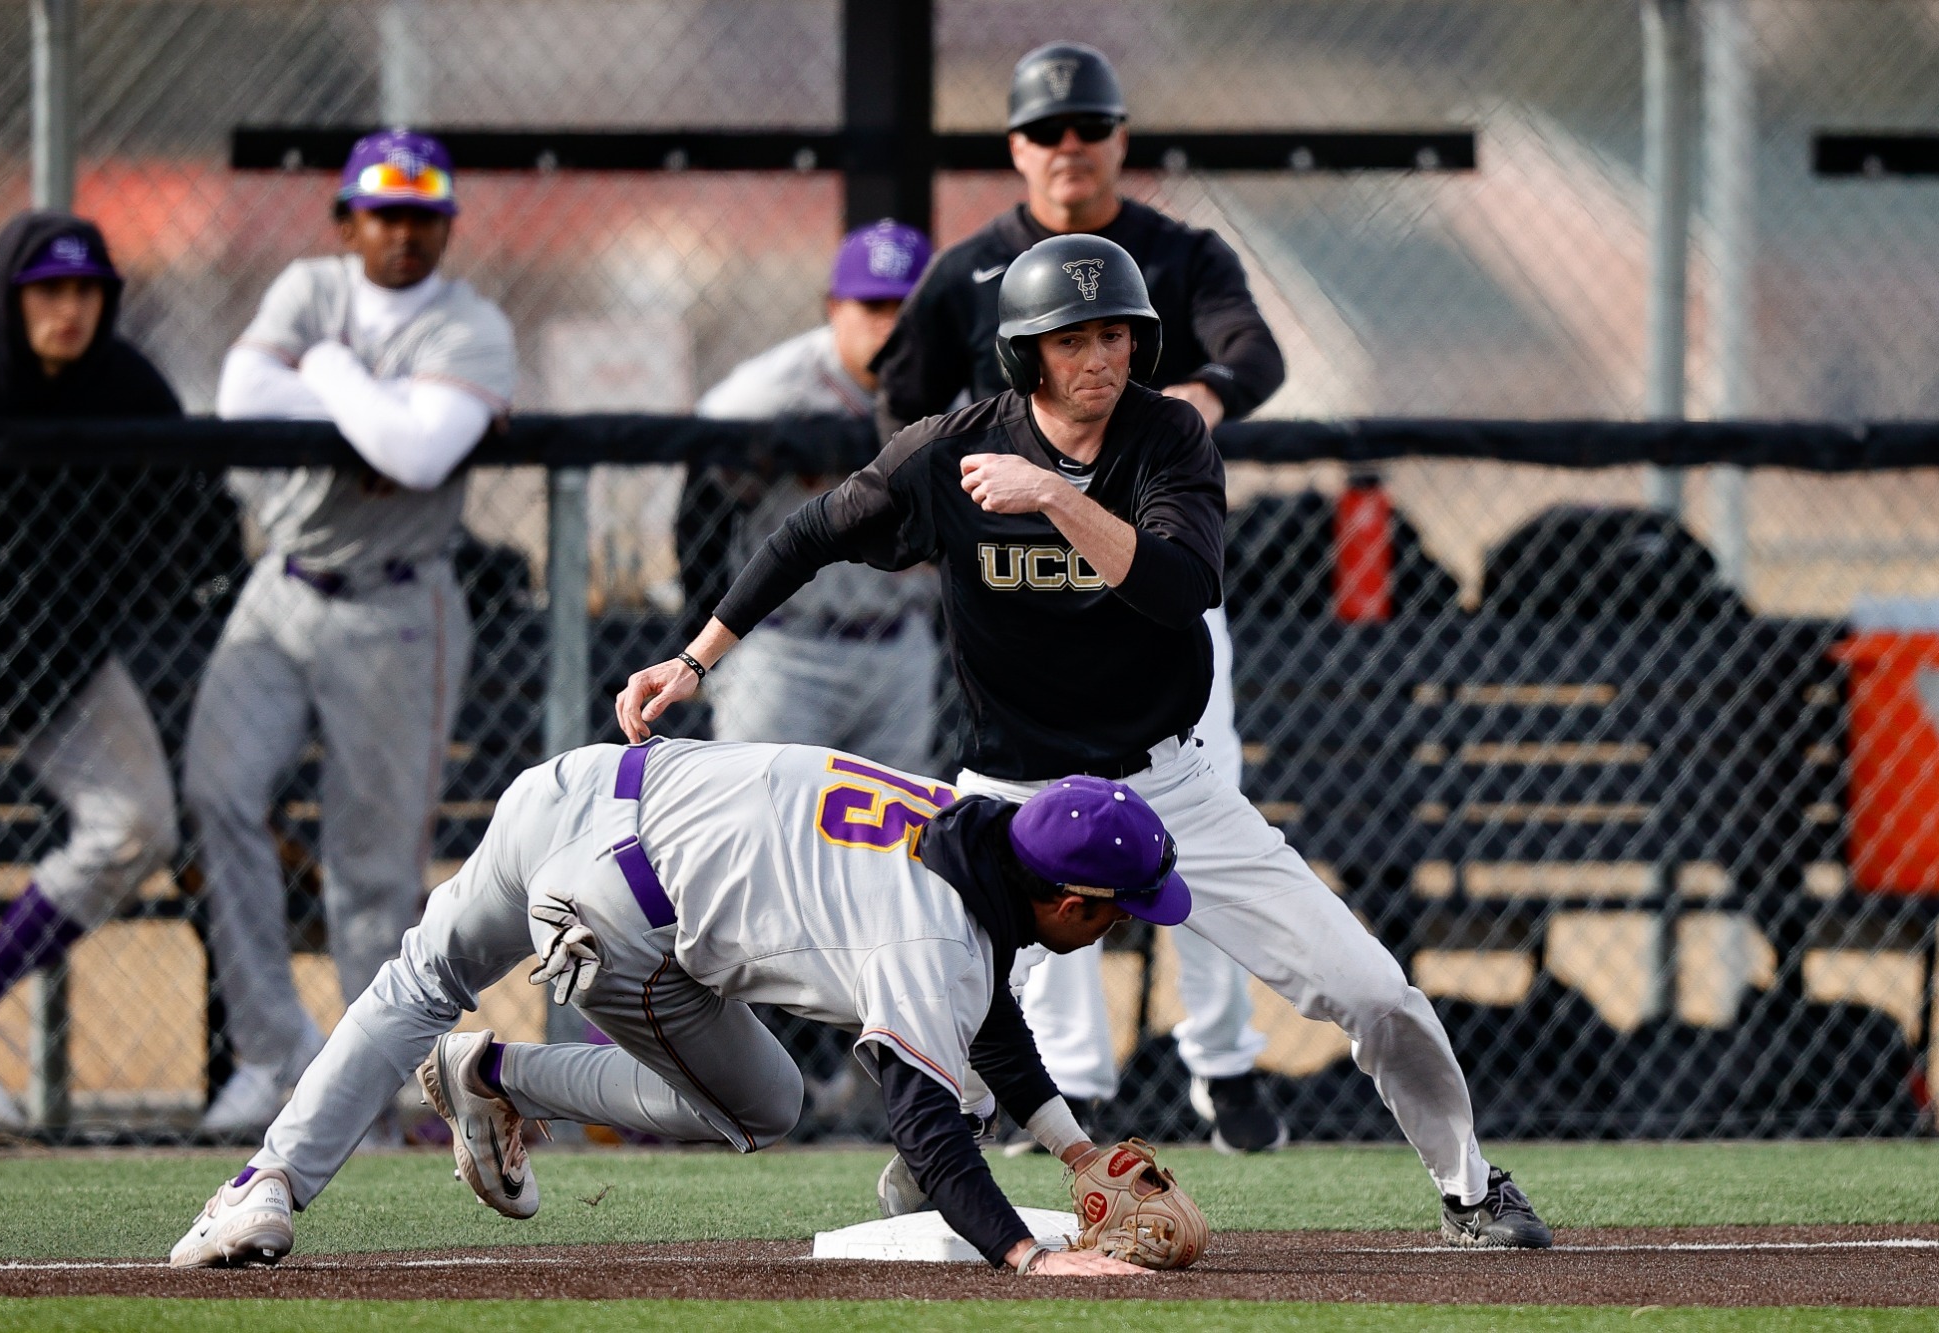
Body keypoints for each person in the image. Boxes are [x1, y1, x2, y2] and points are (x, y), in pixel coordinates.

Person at [617, 237, 1553, 1248]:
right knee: (955, 1030)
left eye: (1115, 333)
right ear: (1025, 353)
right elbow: (807, 534)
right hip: (1006, 802)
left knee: (1371, 988)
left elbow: (1177, 588)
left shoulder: (1168, 440)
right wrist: (696, 659)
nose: (1099, 356)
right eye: (1071, 339)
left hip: (1165, 787)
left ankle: (1469, 1187)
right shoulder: (950, 448)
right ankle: (941, 1164)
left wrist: (1054, 497)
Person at [171, 738, 1168, 1277]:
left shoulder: (967, 824)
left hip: (579, 782)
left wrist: (1076, 1151)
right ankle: (502, 1077)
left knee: (416, 982)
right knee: (762, 1107)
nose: (1118, 932)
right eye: (1117, 918)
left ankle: (264, 1187)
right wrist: (1030, 1259)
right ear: (1071, 902)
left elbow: (989, 1010)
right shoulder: (932, 932)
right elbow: (922, 1117)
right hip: (619, 909)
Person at [872, 41, 1288, 1153]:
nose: (1068, 148)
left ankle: (1224, 1067)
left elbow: (1255, 355)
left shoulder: (1174, 254)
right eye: (1045, 131)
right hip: (1024, 602)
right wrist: (952, 516)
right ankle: (1064, 1088)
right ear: (1015, 147)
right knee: (1032, 838)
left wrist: (1176, 405)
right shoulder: (969, 271)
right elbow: (898, 402)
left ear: (1117, 141)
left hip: (1151, 588)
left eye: (1087, 128)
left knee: (1199, 821)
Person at [186, 129, 516, 1138]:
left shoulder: (473, 323)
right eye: (382, 213)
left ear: (447, 226)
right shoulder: (308, 291)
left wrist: (334, 389)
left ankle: (361, 1092)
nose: (401, 233)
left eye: (422, 215)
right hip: (280, 586)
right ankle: (271, 1049)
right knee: (217, 792)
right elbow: (242, 399)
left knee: (371, 867)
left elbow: (416, 455)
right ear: (347, 220)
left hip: (397, 602)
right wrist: (357, 399)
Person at [679, 219, 938, 1126]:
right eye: (872, 306)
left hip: (901, 648)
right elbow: (690, 476)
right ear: (834, 309)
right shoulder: (768, 389)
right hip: (786, 649)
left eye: (907, 307)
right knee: (752, 851)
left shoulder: (955, 383)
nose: (891, 324)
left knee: (889, 866)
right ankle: (724, 1077)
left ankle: (868, 1086)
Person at [0, 213, 187, 1149]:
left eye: (85, 291)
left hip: (62, 662)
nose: (68, 308)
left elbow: (187, 509)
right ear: (12, 299)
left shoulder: (129, 385)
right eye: (47, 290)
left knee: (140, 822)